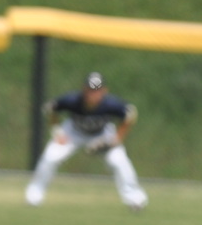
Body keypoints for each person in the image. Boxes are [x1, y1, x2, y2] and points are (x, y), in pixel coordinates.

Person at [25, 72, 149, 212]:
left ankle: (135, 198)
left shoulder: (110, 104)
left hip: (102, 133)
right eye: (90, 90)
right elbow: (50, 108)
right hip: (73, 131)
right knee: (51, 156)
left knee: (118, 160)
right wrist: (57, 131)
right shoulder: (72, 100)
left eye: (97, 91)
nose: (93, 94)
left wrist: (118, 137)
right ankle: (34, 195)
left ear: (104, 91)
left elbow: (130, 114)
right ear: (83, 89)